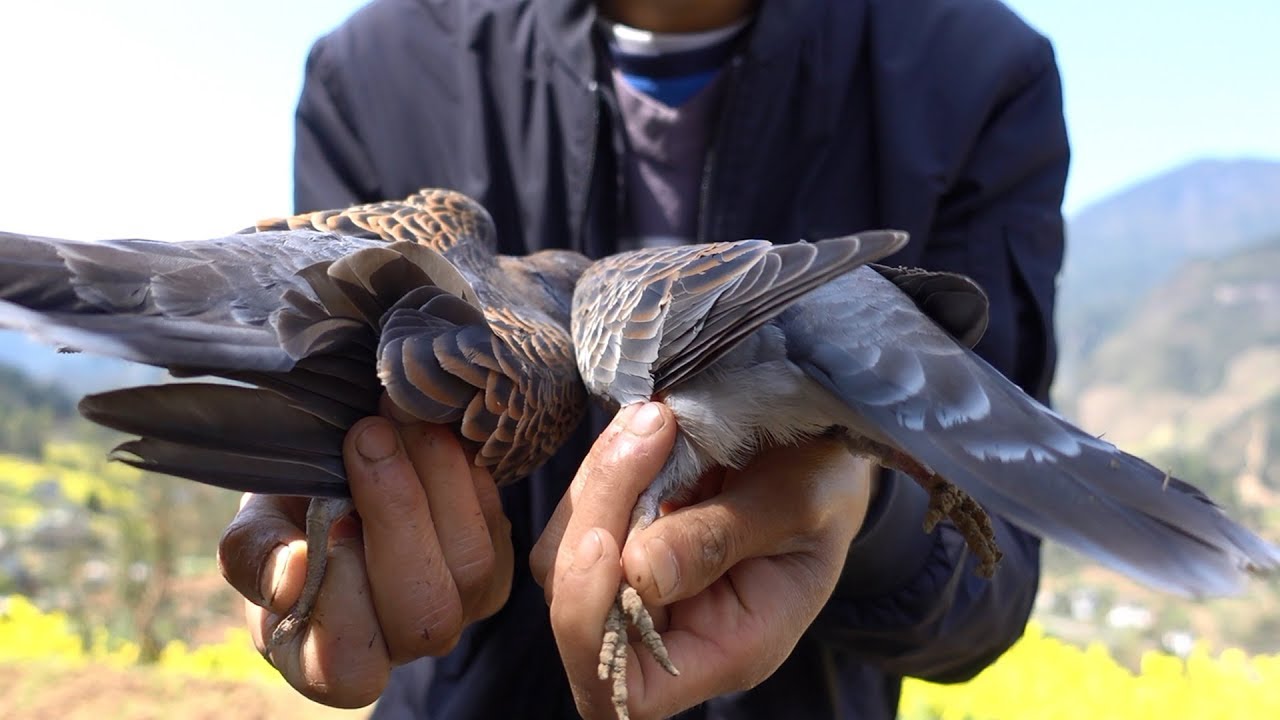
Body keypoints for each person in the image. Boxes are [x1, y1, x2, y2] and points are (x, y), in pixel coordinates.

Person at [216, 0, 1068, 718]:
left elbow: (994, 569)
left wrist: (860, 504)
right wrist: (326, 518)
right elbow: (330, 403)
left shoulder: (979, 73)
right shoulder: (374, 73)